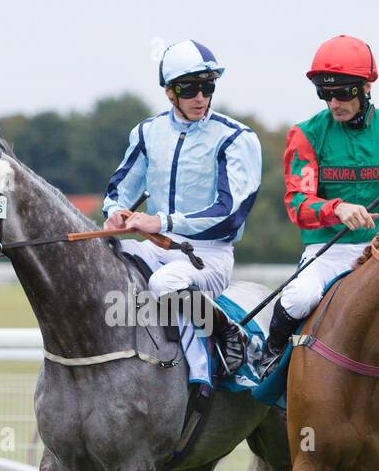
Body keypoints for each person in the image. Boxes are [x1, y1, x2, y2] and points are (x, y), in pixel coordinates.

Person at [260, 35, 379, 371]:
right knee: (298, 297)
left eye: (343, 92)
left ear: (366, 87)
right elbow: (298, 204)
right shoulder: (305, 135)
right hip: (327, 252)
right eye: (325, 93)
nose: (334, 102)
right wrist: (337, 209)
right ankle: (270, 362)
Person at [102, 39, 262, 368]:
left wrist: (160, 222)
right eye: (189, 89)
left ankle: (229, 331)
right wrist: (115, 213)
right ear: (170, 92)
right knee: (98, 262)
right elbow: (121, 187)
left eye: (207, 88)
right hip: (156, 248)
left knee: (164, 283)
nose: (200, 98)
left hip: (208, 256)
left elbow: (229, 215)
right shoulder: (147, 132)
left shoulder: (236, 138)